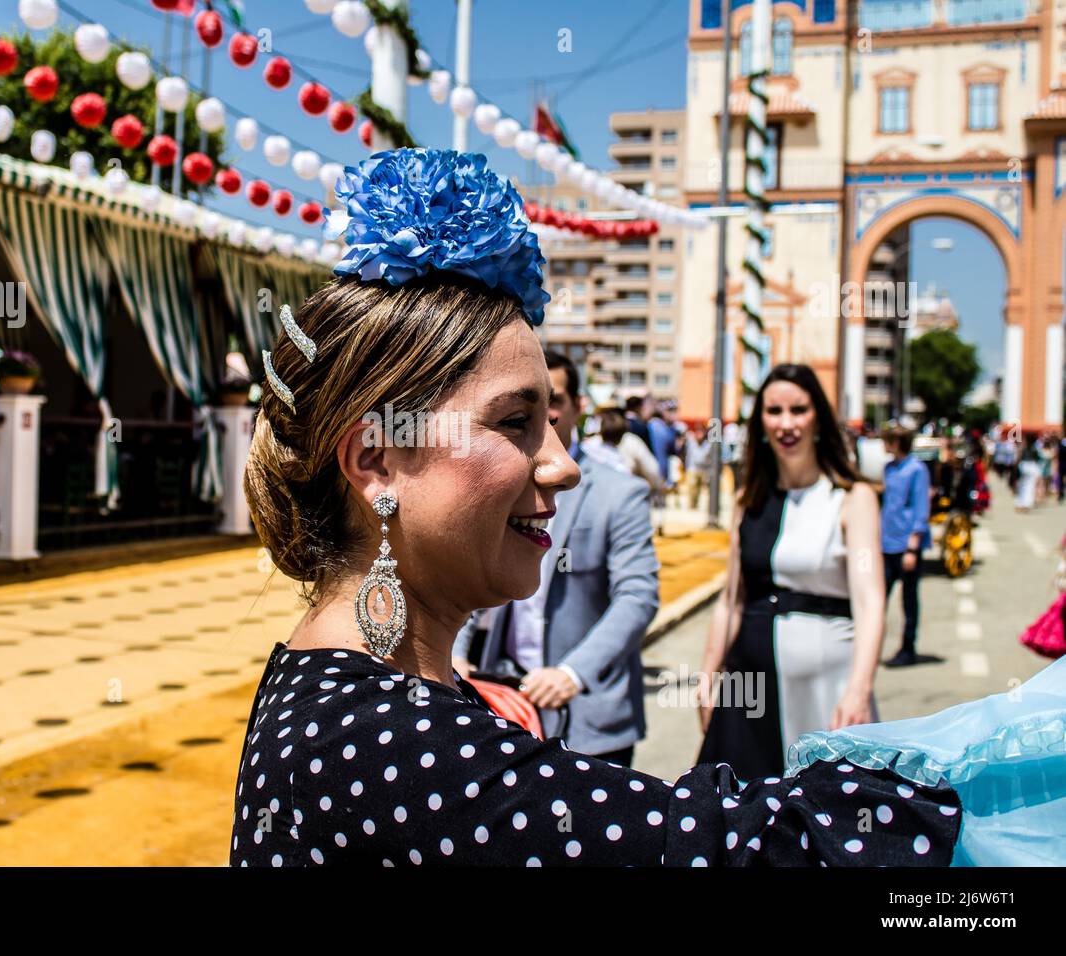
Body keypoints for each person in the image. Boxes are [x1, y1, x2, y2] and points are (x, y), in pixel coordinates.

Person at [231, 147, 1066, 867]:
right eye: (516, 423)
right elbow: (732, 849)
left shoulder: (357, 695)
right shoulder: (382, 745)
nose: (560, 465)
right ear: (377, 459)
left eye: (555, 423)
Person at [452, 351, 659, 768]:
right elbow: (473, 572)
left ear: (580, 407)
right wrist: (455, 655)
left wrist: (572, 673)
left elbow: (637, 596)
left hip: (586, 717)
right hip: (501, 703)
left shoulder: (619, 494)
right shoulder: (502, 482)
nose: (545, 417)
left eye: (556, 401)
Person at [696, 364, 883, 781]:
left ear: (818, 417)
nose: (786, 423)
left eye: (798, 410)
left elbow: (870, 601)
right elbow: (733, 599)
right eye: (773, 411)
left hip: (828, 684)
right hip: (749, 687)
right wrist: (708, 674)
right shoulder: (749, 499)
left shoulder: (853, 499)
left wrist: (860, 687)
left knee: (830, 816)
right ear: (760, 421)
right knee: (739, 819)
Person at [879, 426, 930, 668]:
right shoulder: (888, 468)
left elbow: (920, 508)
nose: (883, 444)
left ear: (897, 442)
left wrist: (913, 547)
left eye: (887, 440)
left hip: (906, 544)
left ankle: (908, 648)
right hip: (886, 542)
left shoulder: (916, 470)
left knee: (908, 600)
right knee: (879, 598)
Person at [1016, 442, 1040, 512]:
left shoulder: (1023, 449)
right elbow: (1037, 459)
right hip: (1031, 467)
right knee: (1029, 486)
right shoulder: (1035, 449)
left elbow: (1018, 459)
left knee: (1022, 486)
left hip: (1024, 466)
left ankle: (1021, 504)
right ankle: (1026, 504)